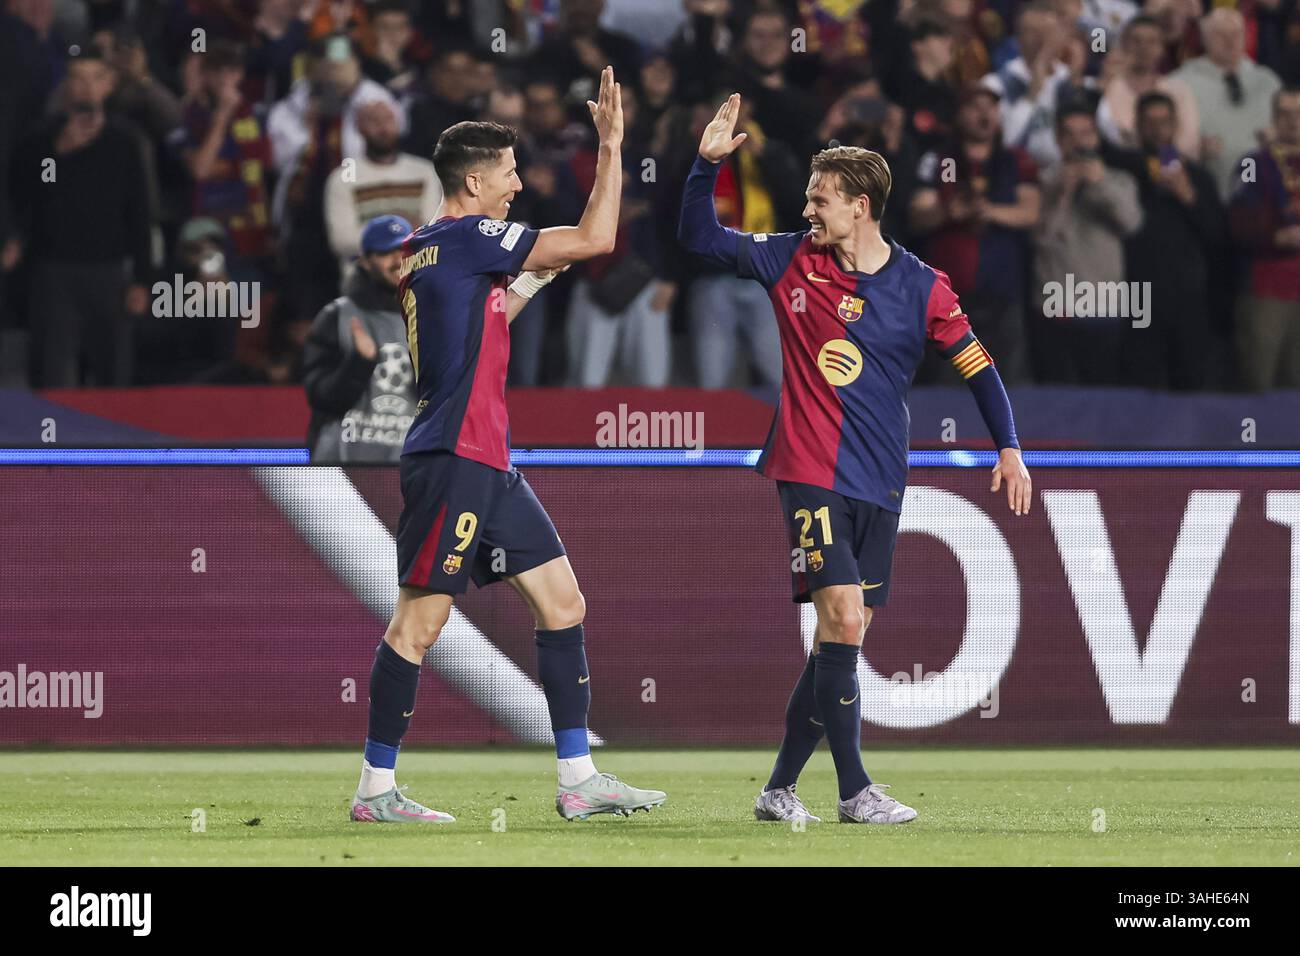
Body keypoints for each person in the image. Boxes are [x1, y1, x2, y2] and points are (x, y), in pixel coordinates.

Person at [679, 93, 1032, 825]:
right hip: (807, 468)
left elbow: (979, 367)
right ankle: (854, 791)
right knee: (840, 615)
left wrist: (1009, 448)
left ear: (861, 206)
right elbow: (700, 239)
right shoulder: (788, 260)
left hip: (881, 477)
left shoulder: (923, 286)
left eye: (821, 199)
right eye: (809, 198)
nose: (808, 210)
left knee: (845, 633)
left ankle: (778, 789)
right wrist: (704, 165)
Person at [351, 68, 666, 824]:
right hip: (456, 456)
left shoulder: (434, 250)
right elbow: (597, 238)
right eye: (508, 172)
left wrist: (530, 282)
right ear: (471, 180)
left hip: (485, 458)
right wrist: (613, 147)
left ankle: (579, 779)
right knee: (417, 625)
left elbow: (487, 324)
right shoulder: (468, 236)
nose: (519, 184)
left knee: (562, 603)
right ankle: (374, 791)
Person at [303, 215, 417, 462]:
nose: (398, 260)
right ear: (365, 262)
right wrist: (359, 362)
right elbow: (320, 398)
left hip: (406, 475)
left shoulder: (431, 317)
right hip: (340, 474)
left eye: (404, 250)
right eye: (386, 252)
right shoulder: (336, 315)